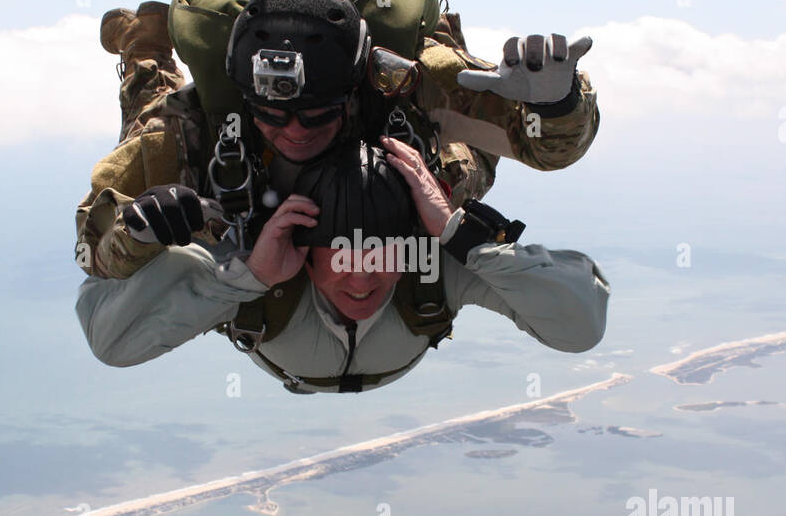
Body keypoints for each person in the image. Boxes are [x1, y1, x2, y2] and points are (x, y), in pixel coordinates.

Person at [75, 0, 601, 281]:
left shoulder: (411, 82)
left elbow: (549, 151)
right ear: (245, 97)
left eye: (319, 112)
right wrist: (139, 228)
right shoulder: (191, 129)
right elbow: (90, 253)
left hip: (402, 99)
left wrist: (555, 104)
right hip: (227, 185)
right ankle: (143, 40)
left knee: (459, 164)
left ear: (355, 88)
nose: (296, 130)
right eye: (273, 114)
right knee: (151, 101)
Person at [75, 138, 610, 394]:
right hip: (262, 258)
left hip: (426, 214)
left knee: (471, 162)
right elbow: (111, 341)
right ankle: (146, 49)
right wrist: (246, 276)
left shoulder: (431, 262)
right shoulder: (257, 264)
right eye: (342, 255)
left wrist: (459, 235)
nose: (363, 278)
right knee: (162, 134)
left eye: (381, 255)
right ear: (303, 250)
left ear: (408, 246)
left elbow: (582, 323)